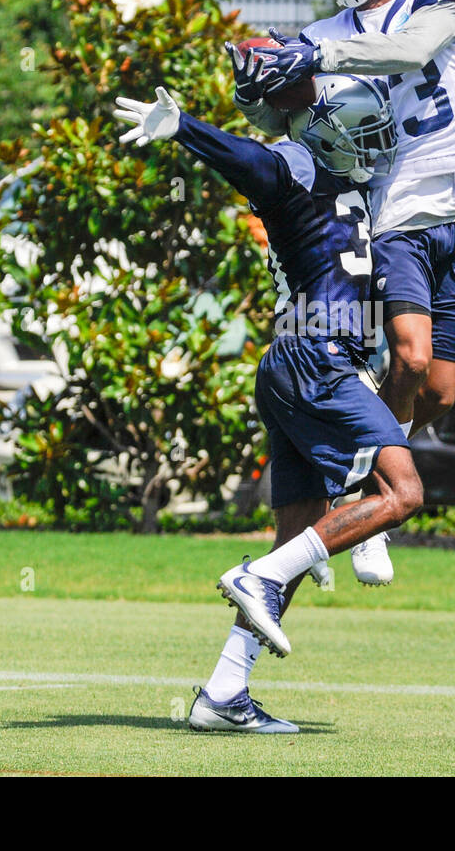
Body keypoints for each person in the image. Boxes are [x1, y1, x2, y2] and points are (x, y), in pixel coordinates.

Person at [114, 73, 424, 734]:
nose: (375, 143)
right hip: (318, 356)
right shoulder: (298, 166)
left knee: (297, 535)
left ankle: (223, 695)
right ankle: (259, 577)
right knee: (401, 494)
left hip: (297, 359)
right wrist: (187, 129)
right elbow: (254, 162)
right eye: (364, 132)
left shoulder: (352, 181)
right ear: (333, 135)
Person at [231, 0, 455, 588]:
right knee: (407, 355)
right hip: (397, 210)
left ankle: (370, 470)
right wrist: (256, 83)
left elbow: (410, 49)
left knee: (438, 390)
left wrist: (319, 52)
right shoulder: (321, 32)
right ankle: (376, 496)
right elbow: (278, 113)